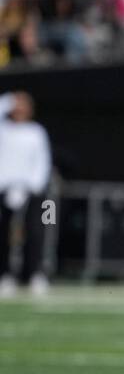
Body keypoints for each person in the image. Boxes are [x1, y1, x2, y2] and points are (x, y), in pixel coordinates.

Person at [0, 91, 52, 296]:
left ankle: (34, 274)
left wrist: (33, 186)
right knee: (4, 234)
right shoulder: (3, 129)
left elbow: (42, 161)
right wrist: (10, 100)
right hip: (5, 189)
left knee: (35, 233)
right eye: (17, 106)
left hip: (31, 190)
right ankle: (5, 274)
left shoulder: (36, 131)